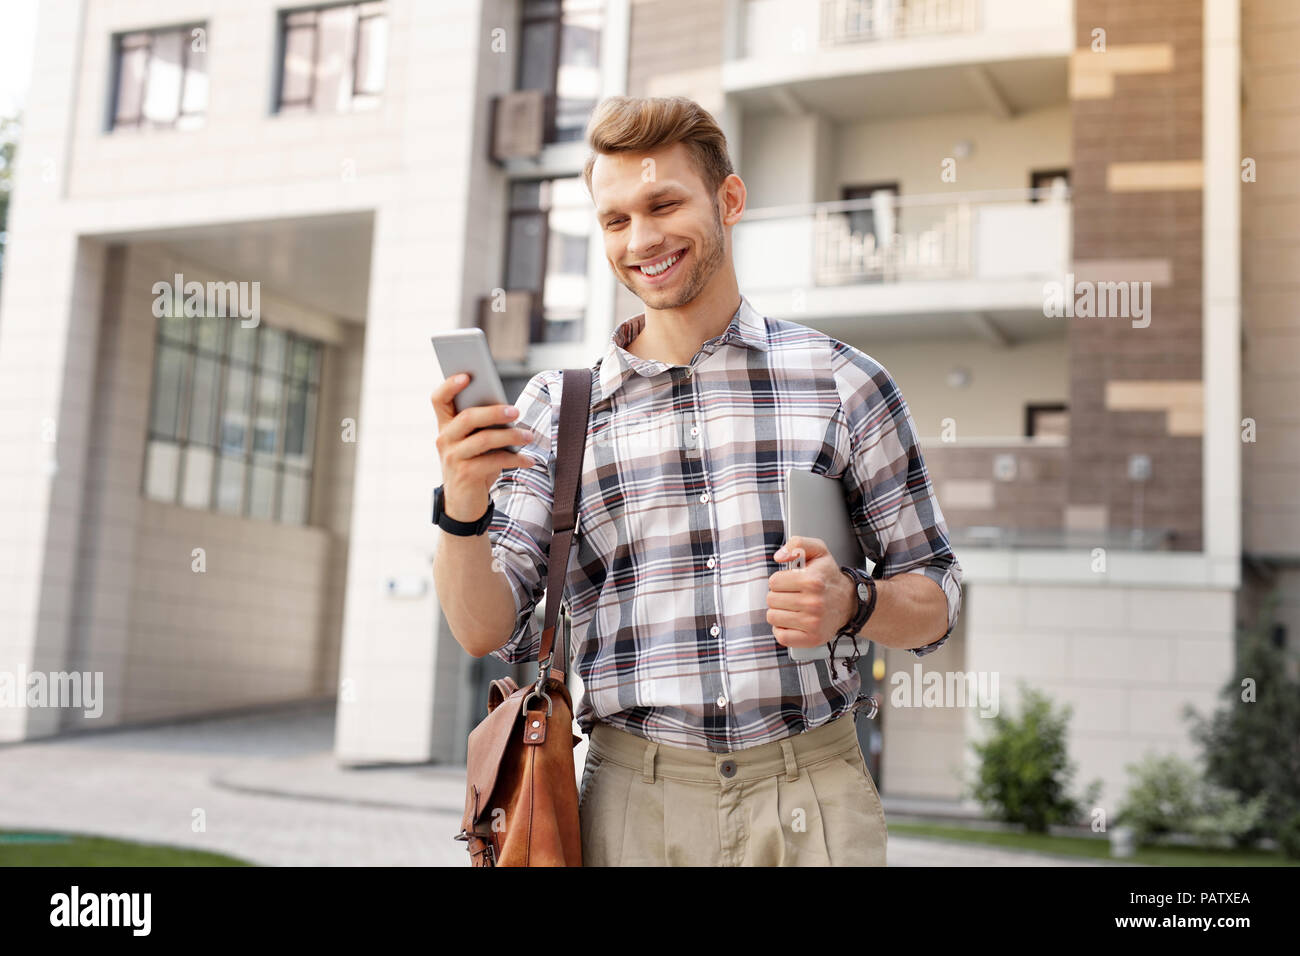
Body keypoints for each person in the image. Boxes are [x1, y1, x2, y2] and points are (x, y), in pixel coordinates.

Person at [431, 95, 963, 867]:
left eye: (663, 204)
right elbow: (485, 628)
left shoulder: (844, 382)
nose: (641, 240)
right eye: (615, 220)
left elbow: (939, 595)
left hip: (814, 792)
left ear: (729, 201)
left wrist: (855, 602)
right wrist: (463, 502)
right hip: (633, 807)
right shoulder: (556, 410)